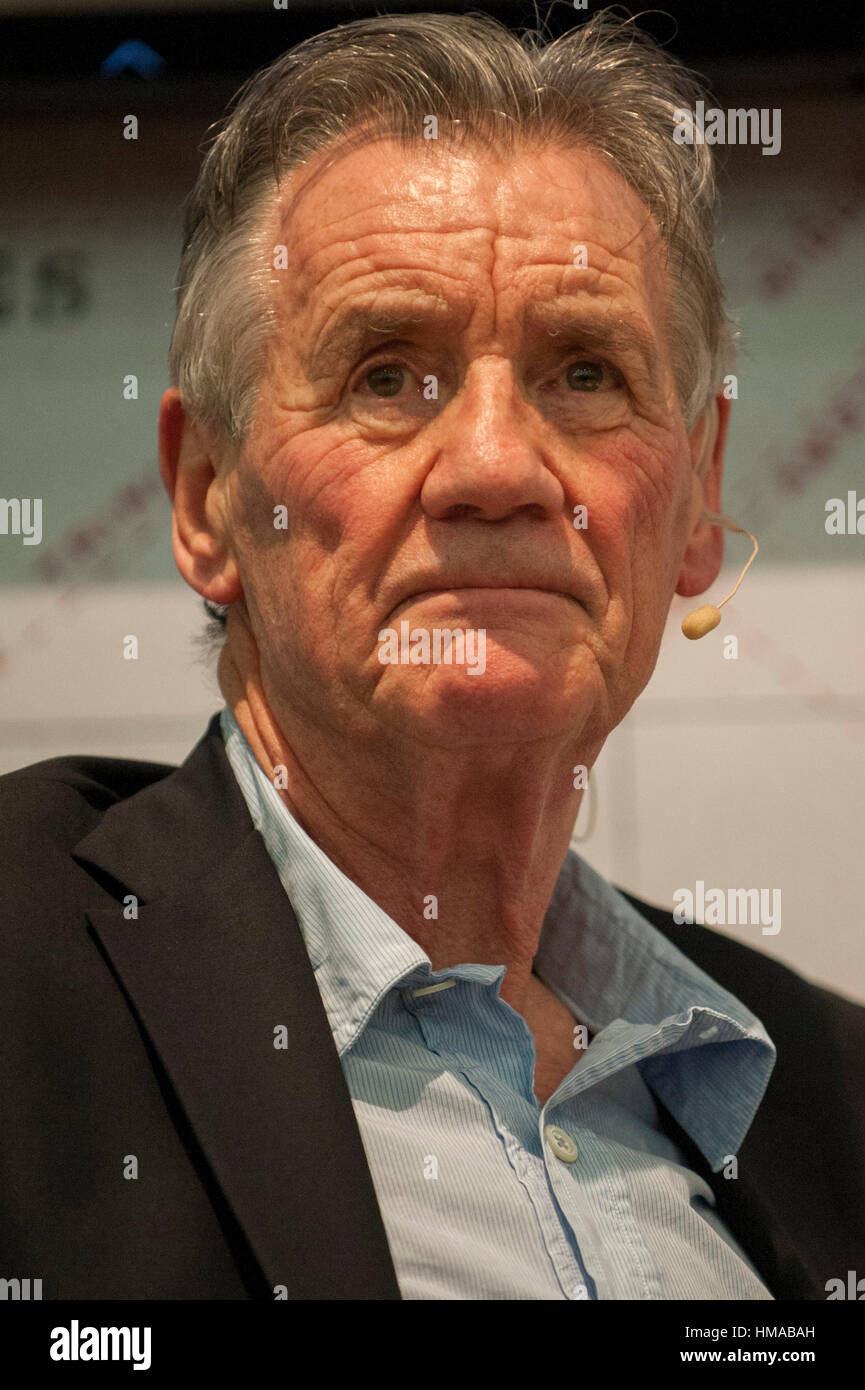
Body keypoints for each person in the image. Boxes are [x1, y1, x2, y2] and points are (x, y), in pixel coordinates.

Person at [1, 9, 862, 1301]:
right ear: (204, 494)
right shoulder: (27, 965)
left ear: (696, 500)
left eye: (584, 371)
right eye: (388, 373)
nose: (495, 467)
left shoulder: (825, 1087)